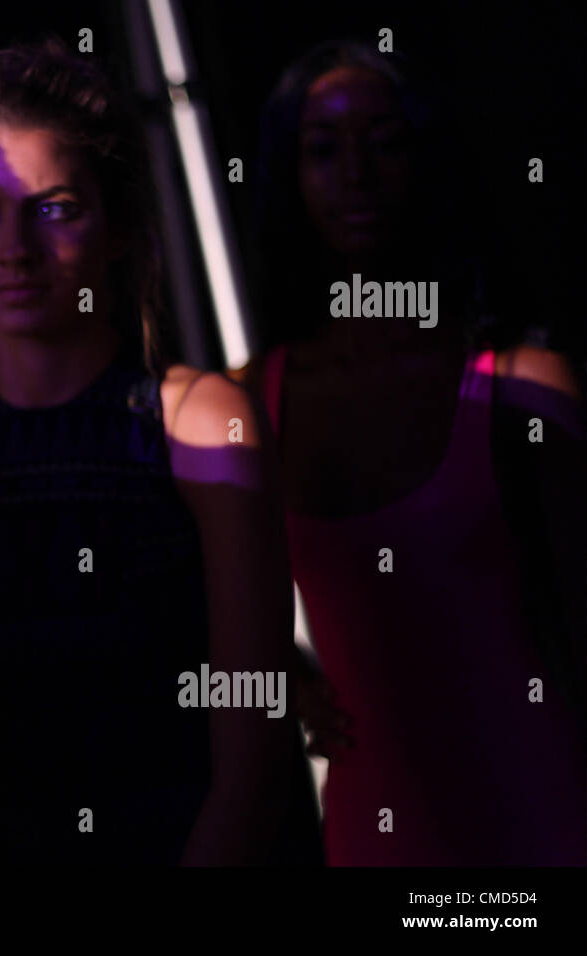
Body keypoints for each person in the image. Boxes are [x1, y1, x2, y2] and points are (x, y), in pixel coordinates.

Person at [0, 41, 323, 865]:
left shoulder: (201, 421)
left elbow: (254, 747)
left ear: (117, 224)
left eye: (52, 208)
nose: (13, 248)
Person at [235, 40, 587, 864]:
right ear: (289, 173)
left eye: (384, 142)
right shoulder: (251, 400)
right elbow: (180, 601)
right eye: (322, 149)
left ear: (427, 159)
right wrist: (279, 678)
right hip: (375, 823)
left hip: (545, 810)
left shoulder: (520, 381)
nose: (354, 173)